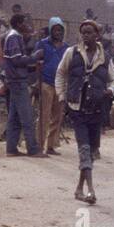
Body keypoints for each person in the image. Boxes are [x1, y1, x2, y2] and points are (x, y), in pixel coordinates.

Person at [55, 19, 114, 205]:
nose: (86, 36)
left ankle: (79, 188)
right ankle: (91, 190)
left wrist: (110, 91)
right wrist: (62, 96)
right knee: (84, 149)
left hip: (97, 109)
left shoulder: (105, 57)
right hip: (77, 108)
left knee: (92, 150)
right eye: (84, 33)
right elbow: (60, 74)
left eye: (90, 32)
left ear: (97, 35)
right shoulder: (71, 53)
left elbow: (113, 79)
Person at [2, 14, 43, 157]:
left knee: (14, 117)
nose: (28, 24)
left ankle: (11, 148)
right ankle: (32, 148)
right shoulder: (13, 37)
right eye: (25, 22)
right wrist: (34, 57)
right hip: (18, 80)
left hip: (16, 80)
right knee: (27, 116)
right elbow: (16, 60)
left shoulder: (15, 36)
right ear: (19, 24)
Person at [35, 18, 70, 154]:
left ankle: (51, 145)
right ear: (50, 30)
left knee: (57, 115)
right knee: (44, 115)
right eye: (55, 29)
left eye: (60, 30)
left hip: (60, 85)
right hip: (46, 82)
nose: (58, 32)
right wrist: (38, 82)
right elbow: (37, 63)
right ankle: (39, 145)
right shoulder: (42, 44)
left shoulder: (66, 47)